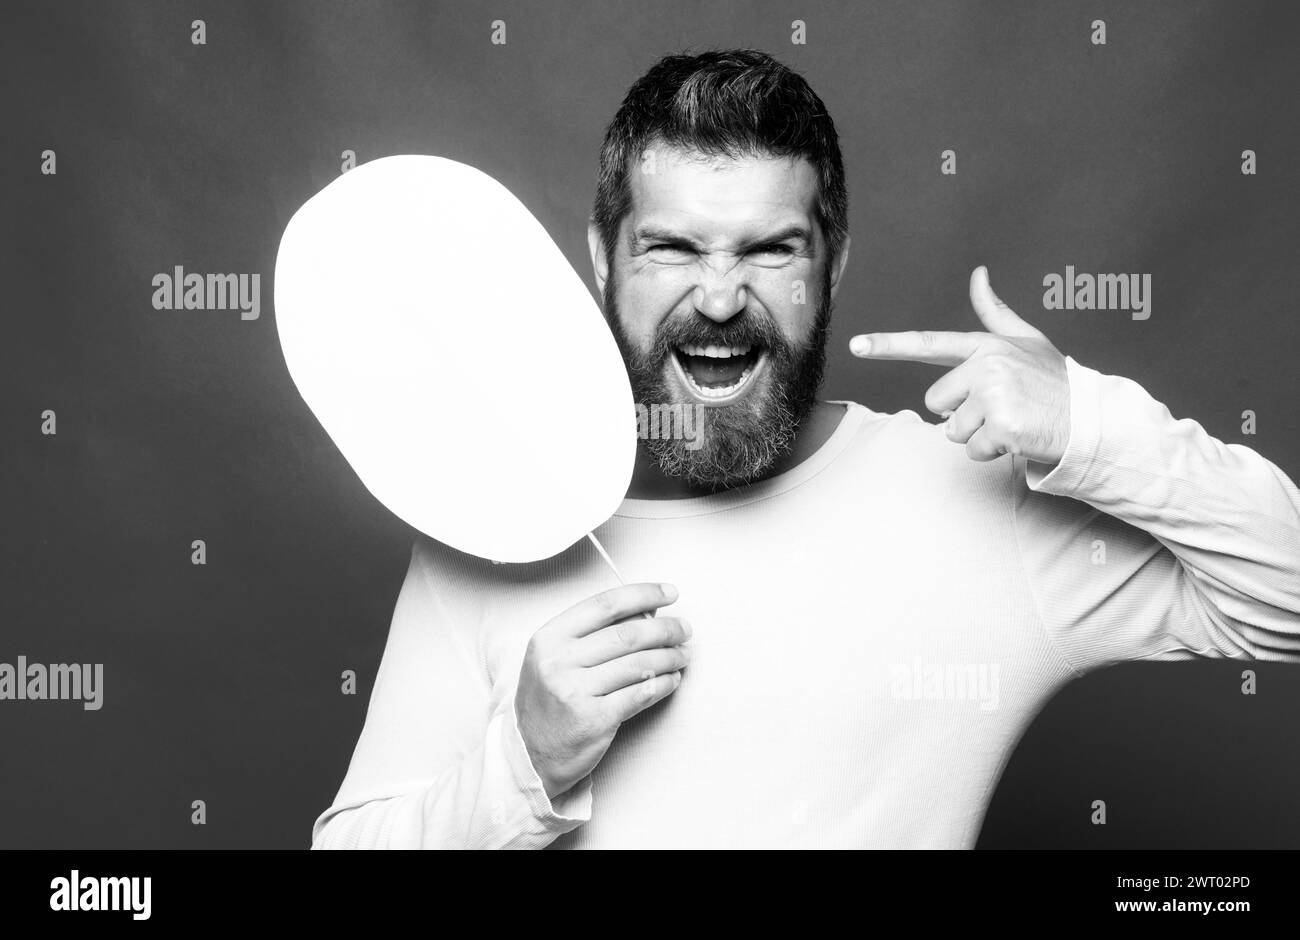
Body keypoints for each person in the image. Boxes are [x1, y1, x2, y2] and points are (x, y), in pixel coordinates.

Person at [310, 49, 1300, 849]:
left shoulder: (972, 498)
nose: (719, 296)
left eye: (770, 248)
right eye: (672, 248)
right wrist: (522, 766)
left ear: (833, 264)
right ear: (603, 260)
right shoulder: (489, 526)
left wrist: (1087, 422)